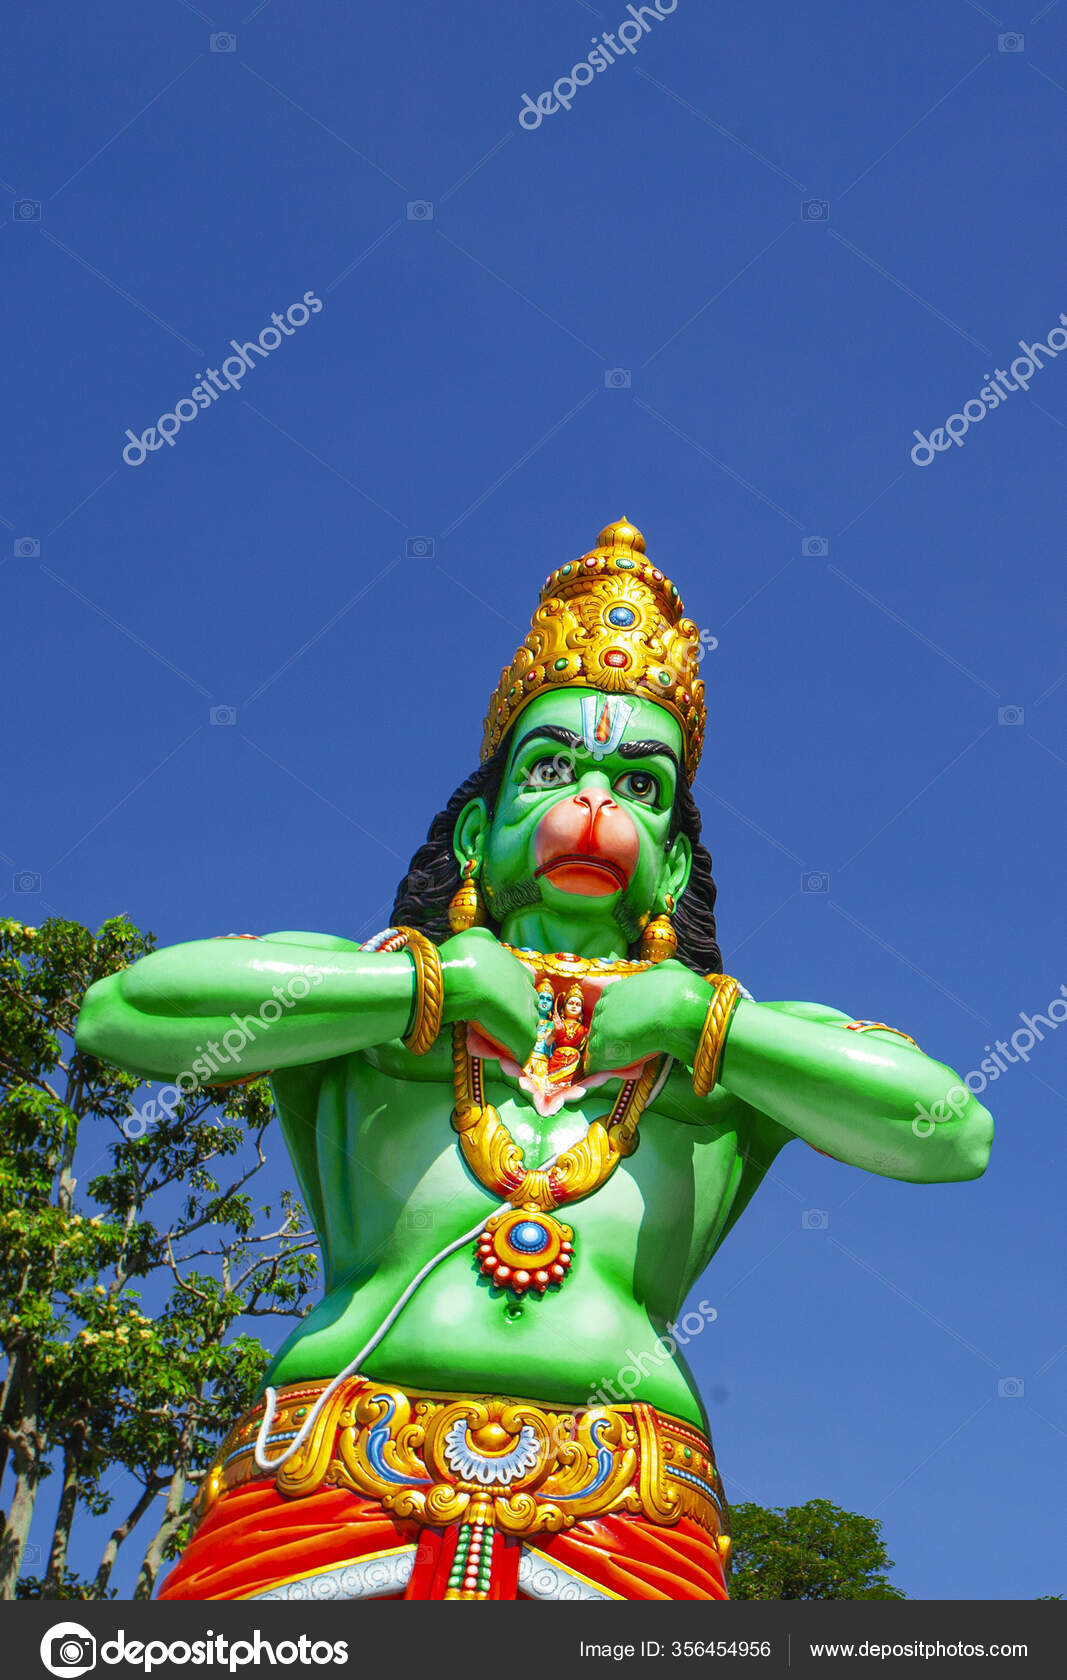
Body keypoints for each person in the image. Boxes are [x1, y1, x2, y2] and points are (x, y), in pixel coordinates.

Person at [75, 517, 993, 1602]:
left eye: (638, 787)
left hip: (626, 1504)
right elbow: (123, 1011)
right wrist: (426, 990)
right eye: (552, 768)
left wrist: (708, 1027)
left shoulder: (730, 1052)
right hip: (322, 1480)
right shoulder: (365, 991)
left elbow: (952, 1132)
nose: (593, 803)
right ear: (476, 832)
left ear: (673, 862)